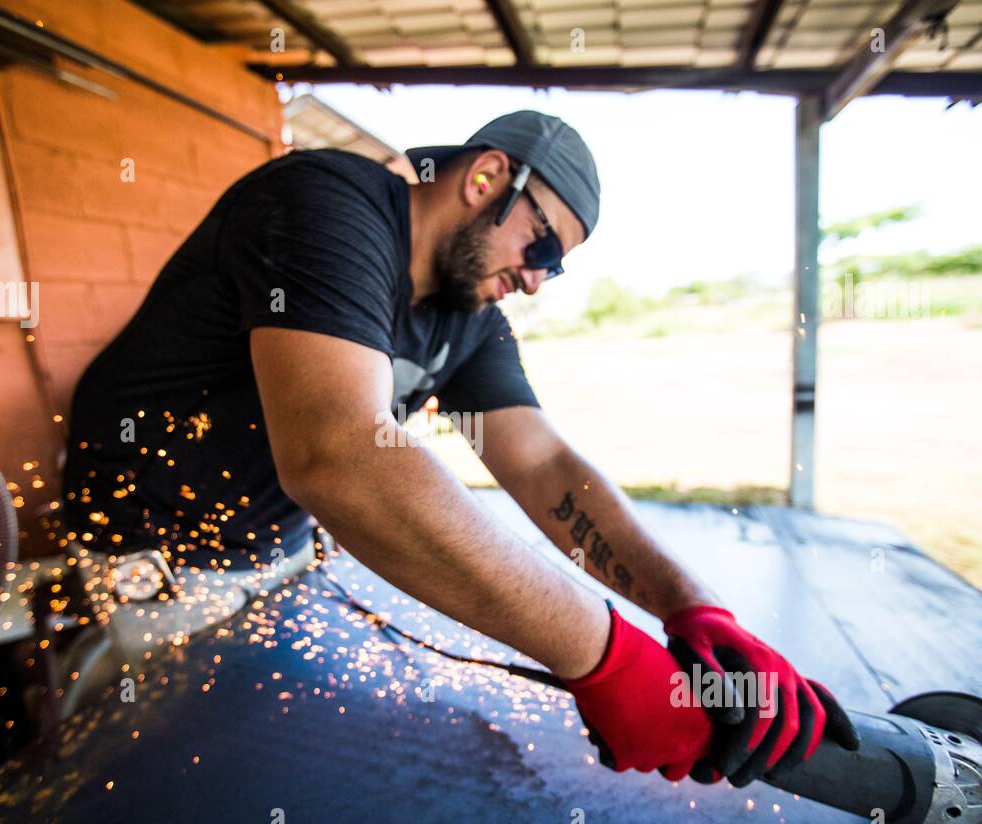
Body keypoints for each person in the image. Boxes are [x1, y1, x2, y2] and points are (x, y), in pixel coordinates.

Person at [63, 110, 859, 785]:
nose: (538, 279)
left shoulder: (468, 320)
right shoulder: (323, 204)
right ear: (485, 179)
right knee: (165, 784)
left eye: (557, 270)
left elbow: (542, 464)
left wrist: (688, 605)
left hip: (274, 551)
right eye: (541, 248)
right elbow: (339, 453)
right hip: (151, 559)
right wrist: (608, 659)